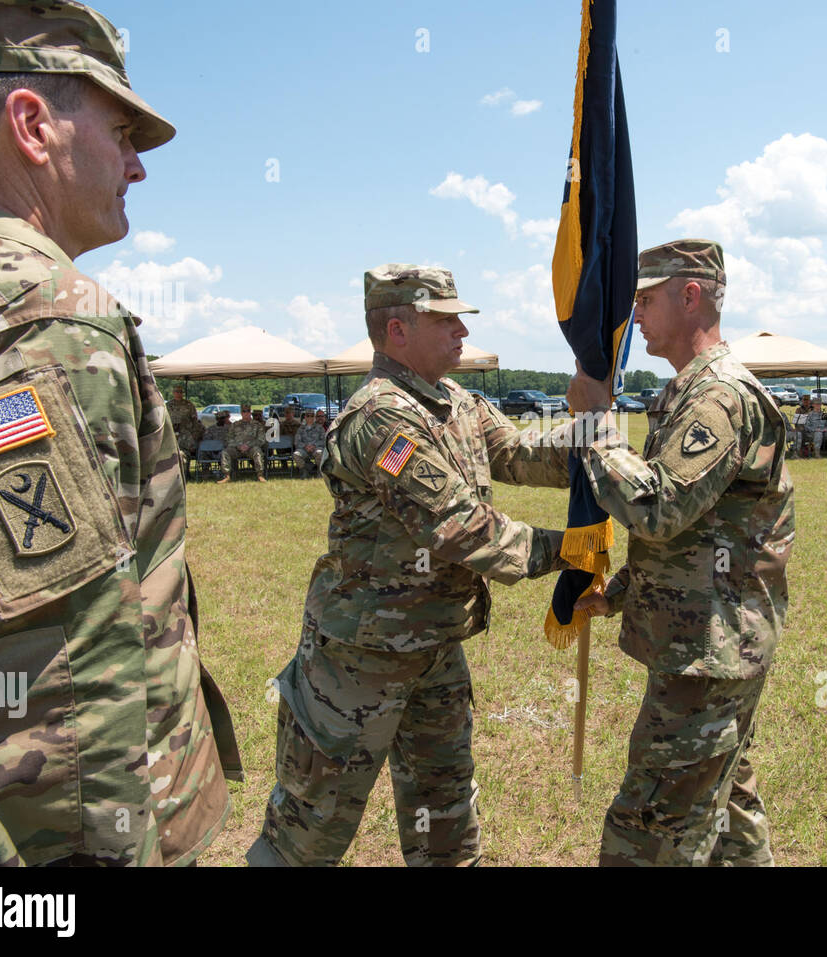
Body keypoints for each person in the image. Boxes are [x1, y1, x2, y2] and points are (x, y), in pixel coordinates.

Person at [0, 0, 239, 866]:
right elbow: (64, 693)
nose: (137, 167)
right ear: (31, 126)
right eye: (121, 131)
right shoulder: (47, 326)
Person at [248, 264, 574, 867]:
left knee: (444, 812)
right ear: (396, 330)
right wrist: (566, 549)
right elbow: (456, 528)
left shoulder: (457, 402)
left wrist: (588, 442)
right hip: (361, 658)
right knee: (311, 825)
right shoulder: (383, 417)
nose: (461, 332)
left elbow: (522, 454)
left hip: (433, 646)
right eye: (445, 320)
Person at [566, 239, 795, 867]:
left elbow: (658, 509)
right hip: (709, 640)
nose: (633, 313)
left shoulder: (718, 396)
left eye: (643, 298)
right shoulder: (691, 391)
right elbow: (702, 528)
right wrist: (618, 593)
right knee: (726, 815)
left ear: (689, 296)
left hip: (710, 651)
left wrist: (595, 425)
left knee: (649, 829)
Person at [218, 403, 267, 483]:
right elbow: (228, 439)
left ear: (250, 412)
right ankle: (227, 476)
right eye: (244, 411)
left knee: (257, 451)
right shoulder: (234, 425)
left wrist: (249, 445)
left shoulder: (257, 425)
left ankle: (260, 475)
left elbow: (261, 440)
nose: (246, 413)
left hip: (251, 448)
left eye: (248, 411)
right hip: (237, 449)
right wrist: (238, 446)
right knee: (225, 452)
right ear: (241, 413)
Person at [167, 385, 203, 471]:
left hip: (186, 433)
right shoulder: (168, 405)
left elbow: (195, 420)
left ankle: (186, 472)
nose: (178, 394)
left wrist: (194, 435)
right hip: (172, 433)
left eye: (180, 392)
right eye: (176, 392)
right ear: (173, 393)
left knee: (185, 453)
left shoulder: (189, 405)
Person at [292, 410, 326, 476]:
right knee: (296, 455)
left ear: (314, 417)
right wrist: (305, 446)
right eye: (308, 416)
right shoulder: (301, 429)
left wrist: (314, 446)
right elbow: (297, 441)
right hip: (304, 449)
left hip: (316, 448)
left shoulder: (320, 428)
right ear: (305, 417)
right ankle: (305, 470)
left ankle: (319, 471)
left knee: (319, 453)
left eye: (312, 416)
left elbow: (323, 440)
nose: (310, 417)